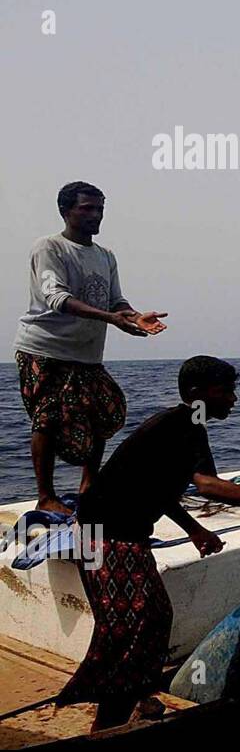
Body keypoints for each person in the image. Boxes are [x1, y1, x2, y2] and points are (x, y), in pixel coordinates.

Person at [58, 356, 240, 731]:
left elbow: (157, 485)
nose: (233, 398)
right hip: (107, 538)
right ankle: (108, 726)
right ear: (199, 393)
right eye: (225, 390)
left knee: (143, 621)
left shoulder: (186, 425)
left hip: (109, 533)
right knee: (135, 630)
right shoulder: (180, 425)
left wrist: (194, 529)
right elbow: (207, 485)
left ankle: (132, 699)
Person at [14, 183, 168, 515]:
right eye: (86, 208)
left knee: (106, 410)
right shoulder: (50, 248)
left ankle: (89, 484)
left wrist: (134, 316)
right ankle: (46, 495)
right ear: (65, 211)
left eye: (99, 209)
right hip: (45, 348)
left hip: (86, 354)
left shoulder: (105, 256)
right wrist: (111, 319)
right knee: (47, 418)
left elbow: (116, 300)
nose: (95, 215)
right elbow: (56, 298)